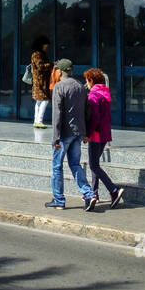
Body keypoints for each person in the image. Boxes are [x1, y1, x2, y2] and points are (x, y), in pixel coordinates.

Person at [45, 59, 98, 211]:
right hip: (78, 132)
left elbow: (57, 114)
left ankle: (59, 200)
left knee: (57, 166)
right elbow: (87, 111)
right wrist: (86, 132)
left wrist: (55, 137)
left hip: (64, 134)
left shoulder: (59, 87)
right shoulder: (80, 87)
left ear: (60, 71)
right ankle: (89, 194)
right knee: (75, 164)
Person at [84, 68, 124, 208]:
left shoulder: (94, 96)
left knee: (93, 165)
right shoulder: (105, 93)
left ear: (91, 80)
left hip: (96, 135)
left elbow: (94, 118)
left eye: (87, 81)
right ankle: (94, 193)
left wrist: (88, 134)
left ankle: (113, 190)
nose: (86, 84)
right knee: (95, 164)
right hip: (105, 134)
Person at [29, 35, 54, 128]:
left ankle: (36, 121)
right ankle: (39, 121)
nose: (46, 47)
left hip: (39, 81)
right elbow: (40, 66)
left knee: (39, 101)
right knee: (45, 100)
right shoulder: (38, 54)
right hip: (41, 81)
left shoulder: (38, 53)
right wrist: (52, 64)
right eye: (45, 45)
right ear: (41, 44)